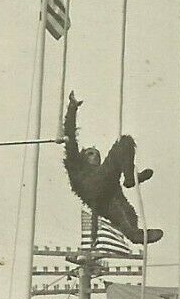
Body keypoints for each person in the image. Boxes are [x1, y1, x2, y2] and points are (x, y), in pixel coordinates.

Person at [62, 90, 163, 245]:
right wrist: (72, 108)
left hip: (106, 197)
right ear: (83, 157)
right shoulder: (77, 165)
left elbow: (120, 208)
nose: (94, 156)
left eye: (96, 154)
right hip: (91, 186)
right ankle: (129, 179)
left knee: (125, 211)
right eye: (90, 153)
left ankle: (135, 234)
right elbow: (69, 138)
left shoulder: (106, 175)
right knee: (124, 142)